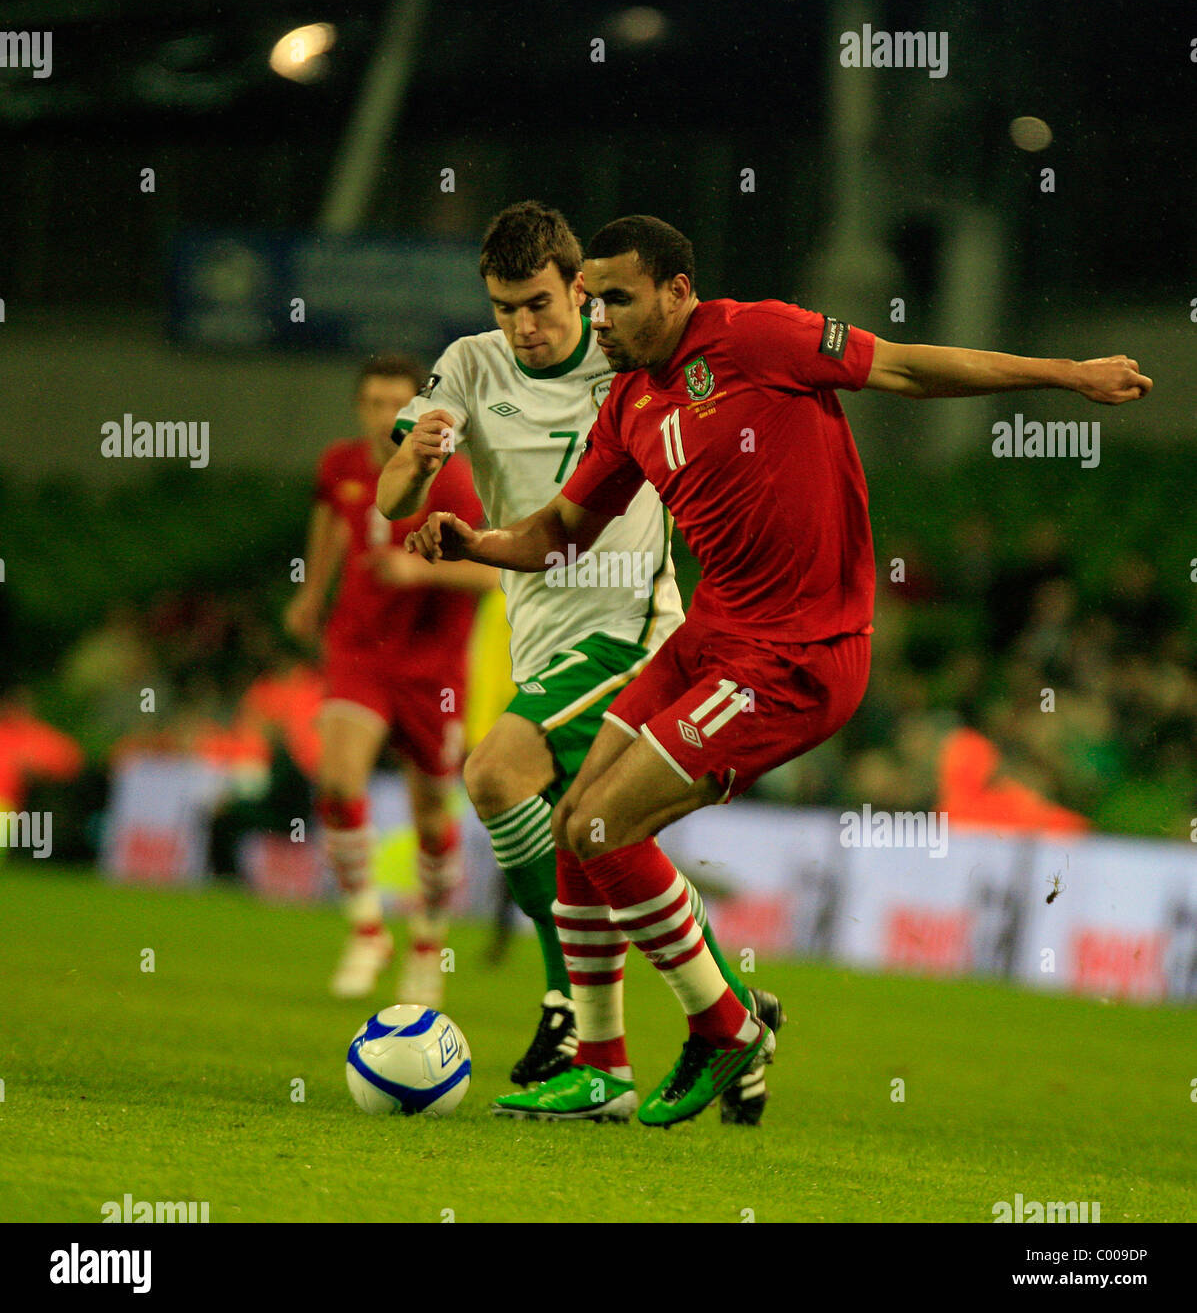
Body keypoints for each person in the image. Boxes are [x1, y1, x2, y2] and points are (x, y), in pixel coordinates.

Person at [403, 213, 1151, 1127]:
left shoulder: (758, 336)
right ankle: (601, 1067)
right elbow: (559, 533)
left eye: (617, 298)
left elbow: (907, 367)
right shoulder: (631, 402)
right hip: (713, 636)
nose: (598, 317)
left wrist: (1065, 374)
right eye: (591, 299)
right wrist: (473, 542)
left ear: (678, 291)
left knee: (601, 826)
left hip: (798, 655)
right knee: (572, 824)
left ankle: (727, 1028)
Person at [378, 202, 780, 1121]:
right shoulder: (467, 366)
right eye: (505, 305)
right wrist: (417, 458)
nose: (524, 324)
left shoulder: (625, 356)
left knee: (493, 772)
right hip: (540, 638)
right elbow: (391, 493)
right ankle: (723, 1019)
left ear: (577, 288)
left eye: (539, 303)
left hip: (633, 627)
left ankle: (567, 1005)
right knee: (592, 840)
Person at [285, 354, 497, 1003]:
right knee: (338, 779)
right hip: (359, 648)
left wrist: (421, 573)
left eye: (395, 406)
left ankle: (428, 942)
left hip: (433, 664)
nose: (383, 417)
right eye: (372, 404)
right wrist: (312, 591)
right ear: (359, 408)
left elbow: (495, 574)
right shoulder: (341, 467)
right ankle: (367, 927)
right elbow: (328, 520)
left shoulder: (458, 483)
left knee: (431, 817)